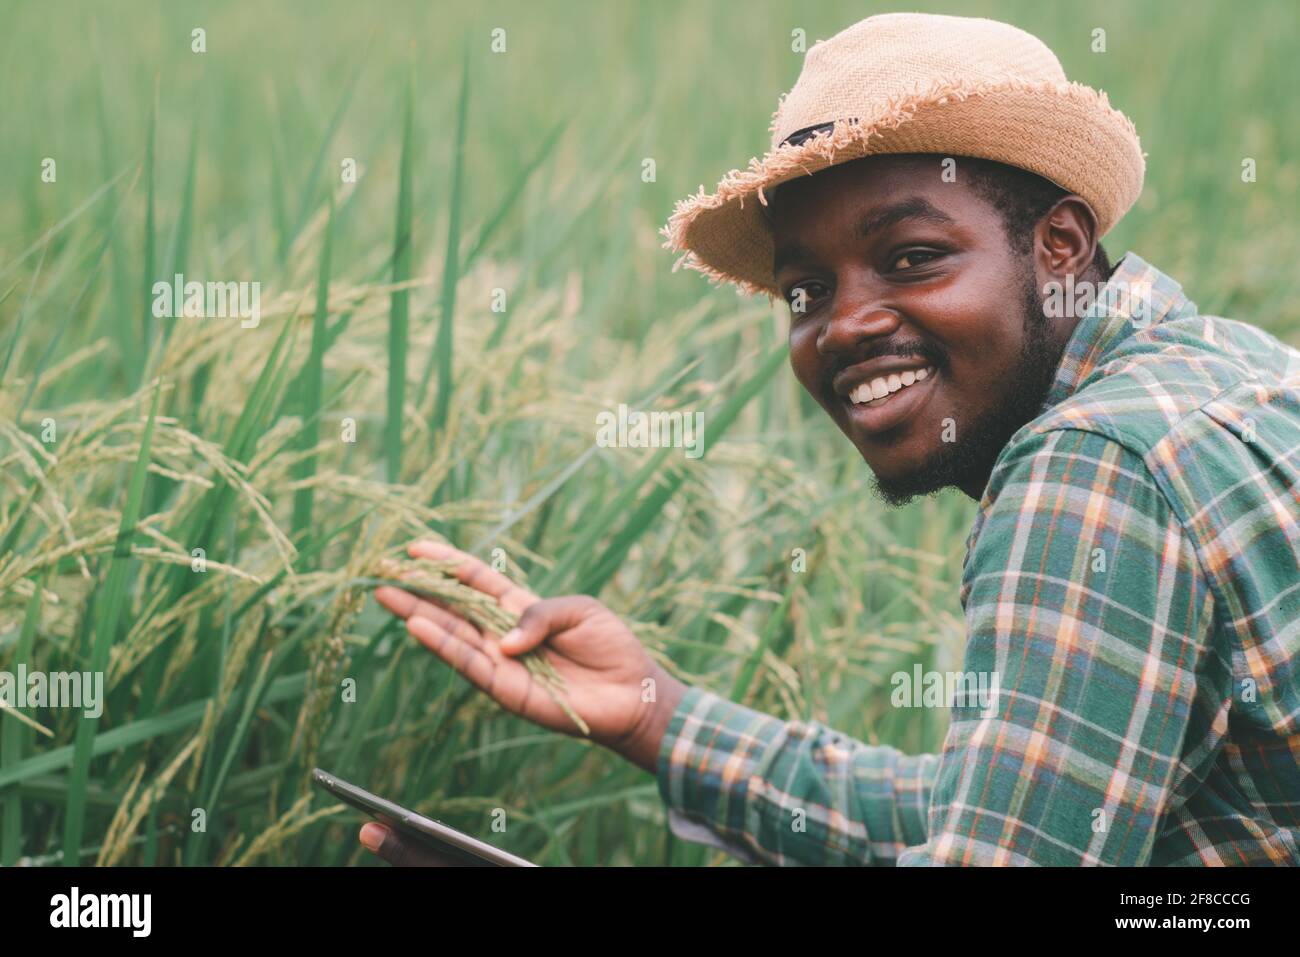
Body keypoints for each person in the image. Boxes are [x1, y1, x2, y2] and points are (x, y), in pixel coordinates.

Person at [361, 13, 1300, 866]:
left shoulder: (1096, 468)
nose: (844, 326)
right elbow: (1014, 801)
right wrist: (658, 713)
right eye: (806, 291)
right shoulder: (1238, 373)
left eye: (912, 257)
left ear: (1058, 245)